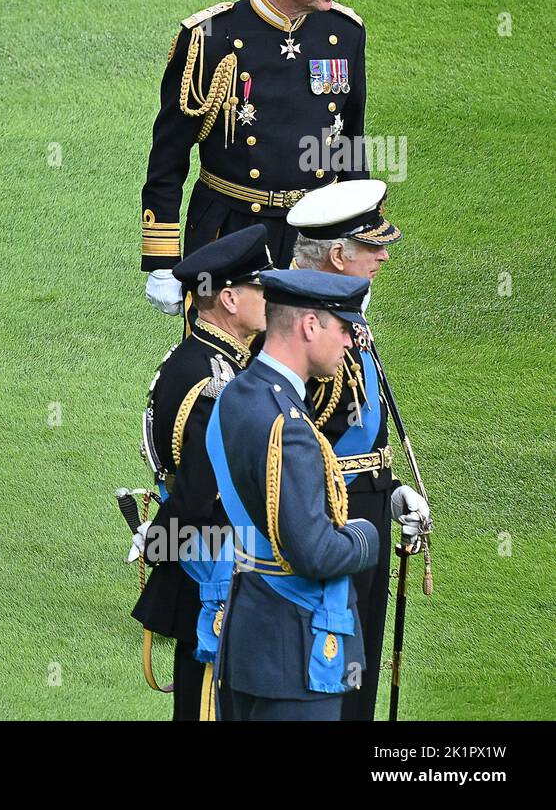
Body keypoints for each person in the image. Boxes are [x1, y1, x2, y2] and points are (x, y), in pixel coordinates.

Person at [141, 0, 370, 318]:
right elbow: (168, 156)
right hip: (229, 232)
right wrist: (161, 261)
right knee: (224, 366)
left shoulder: (344, 32)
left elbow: (350, 144)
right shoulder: (210, 37)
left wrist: (356, 250)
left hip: (313, 236)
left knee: (312, 369)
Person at [287, 179, 431, 719]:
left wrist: (388, 490)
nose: (384, 256)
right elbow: (294, 441)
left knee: (358, 676)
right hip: (326, 520)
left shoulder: (343, 315)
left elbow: (358, 428)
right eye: (373, 247)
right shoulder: (304, 326)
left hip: (362, 509)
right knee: (325, 669)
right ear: (338, 254)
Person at [207, 269, 380, 720]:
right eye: (343, 328)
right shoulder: (291, 428)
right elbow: (316, 553)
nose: (349, 343)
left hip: (247, 640)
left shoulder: (235, 395)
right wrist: (368, 535)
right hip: (298, 653)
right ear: (309, 325)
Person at [130, 225, 270, 720]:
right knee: (210, 703)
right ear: (229, 299)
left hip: (202, 556)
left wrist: (158, 537)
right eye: (260, 287)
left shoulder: (197, 358)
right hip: (216, 566)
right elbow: (198, 492)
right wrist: (160, 541)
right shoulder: (216, 380)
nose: (269, 297)